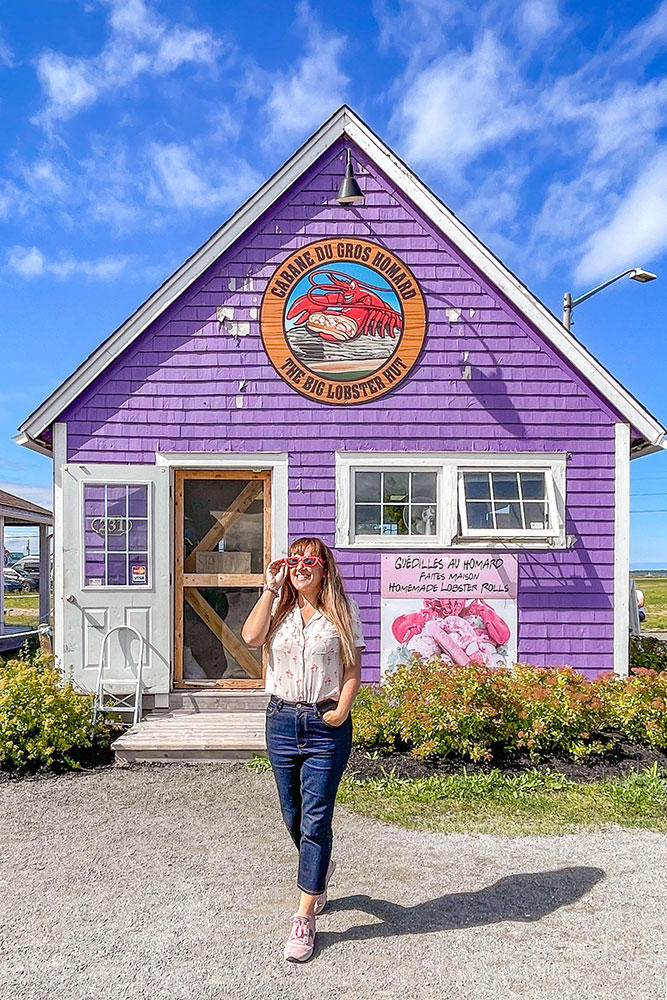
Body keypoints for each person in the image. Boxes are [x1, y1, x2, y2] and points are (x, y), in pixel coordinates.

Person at [241, 536, 365, 962]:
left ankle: (304, 916)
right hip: (281, 720)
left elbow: (352, 666)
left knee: (315, 819)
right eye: (294, 560)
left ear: (324, 568)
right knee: (291, 811)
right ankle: (320, 867)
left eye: (310, 560)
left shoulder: (342, 611)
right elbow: (251, 636)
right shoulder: (278, 608)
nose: (300, 567)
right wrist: (270, 587)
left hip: (324, 723)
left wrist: (342, 710)